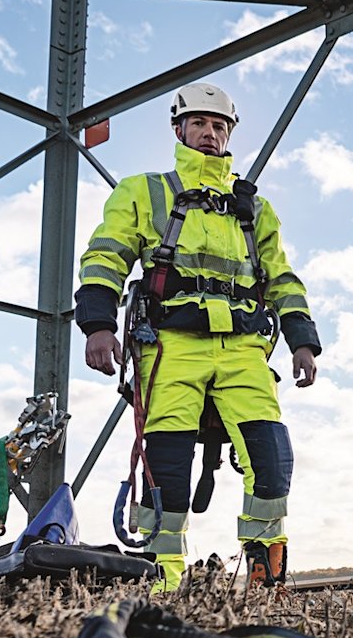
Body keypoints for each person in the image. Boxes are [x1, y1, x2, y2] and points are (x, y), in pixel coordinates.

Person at [76, 82, 322, 594]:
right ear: (179, 129)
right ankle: (161, 582)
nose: (210, 134)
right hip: (169, 345)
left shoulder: (255, 208)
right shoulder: (143, 190)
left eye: (219, 126)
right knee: (165, 466)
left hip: (244, 348)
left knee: (272, 459)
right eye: (200, 125)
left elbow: (281, 278)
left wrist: (303, 340)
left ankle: (264, 577)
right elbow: (105, 255)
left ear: (229, 133)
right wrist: (97, 324)